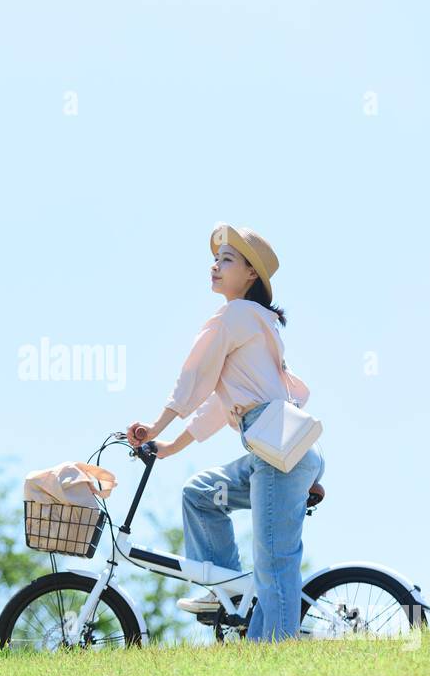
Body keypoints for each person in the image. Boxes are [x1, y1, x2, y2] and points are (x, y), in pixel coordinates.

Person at [126, 223, 324, 642]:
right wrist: (169, 447)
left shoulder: (236, 316)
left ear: (251, 274)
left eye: (227, 260)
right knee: (200, 494)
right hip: (272, 448)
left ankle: (273, 652)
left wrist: (155, 426)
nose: (215, 266)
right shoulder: (253, 321)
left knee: (274, 563)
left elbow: (193, 376)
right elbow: (218, 405)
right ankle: (227, 590)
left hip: (276, 455)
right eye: (215, 259)